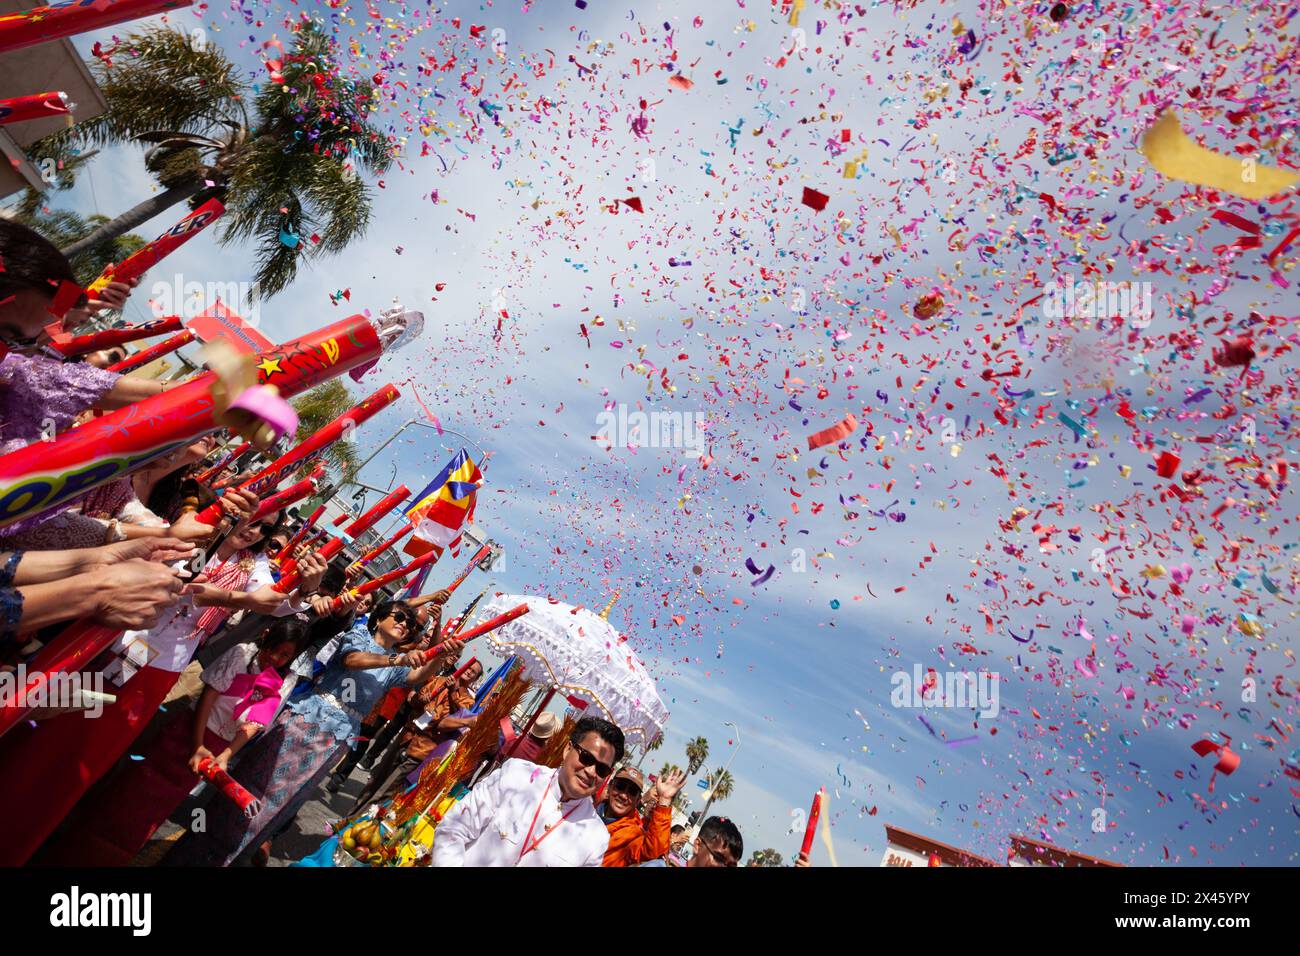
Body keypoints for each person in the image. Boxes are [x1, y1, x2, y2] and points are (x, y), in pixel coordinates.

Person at [164, 599, 466, 866]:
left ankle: (233, 857)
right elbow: (352, 661)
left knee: (282, 804)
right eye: (399, 617)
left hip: (336, 740)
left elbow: (416, 676)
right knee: (256, 785)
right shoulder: (360, 635)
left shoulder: (395, 665)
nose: (404, 625)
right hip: (305, 721)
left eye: (410, 624)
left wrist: (441, 656)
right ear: (380, 618)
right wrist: (394, 658)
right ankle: (200, 851)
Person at [31, 617, 311, 866]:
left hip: (213, 753)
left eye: (284, 655)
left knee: (151, 814)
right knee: (128, 792)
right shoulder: (241, 654)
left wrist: (224, 756)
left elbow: (252, 725)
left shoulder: (284, 682)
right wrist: (198, 743)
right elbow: (208, 697)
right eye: (273, 648)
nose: (275, 657)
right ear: (266, 637)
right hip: (188, 733)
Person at [431, 715, 623, 867]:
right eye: (587, 758)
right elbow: (453, 830)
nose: (591, 771)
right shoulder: (516, 774)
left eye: (602, 769)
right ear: (567, 750)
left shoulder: (596, 837)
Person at [345, 657, 484, 811]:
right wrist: (420, 699)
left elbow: (455, 716)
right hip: (407, 735)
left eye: (473, 672)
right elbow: (414, 702)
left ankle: (356, 823)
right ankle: (348, 817)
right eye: (469, 668)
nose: (469, 672)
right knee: (376, 779)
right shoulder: (439, 680)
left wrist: (451, 693)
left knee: (387, 790)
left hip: (423, 747)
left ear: (475, 679)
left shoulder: (468, 700)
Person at [598, 764, 686, 867]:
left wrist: (665, 800)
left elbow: (653, 850)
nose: (623, 795)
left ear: (638, 800)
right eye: (620, 786)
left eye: (632, 792)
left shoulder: (633, 835)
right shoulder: (588, 807)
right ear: (610, 787)